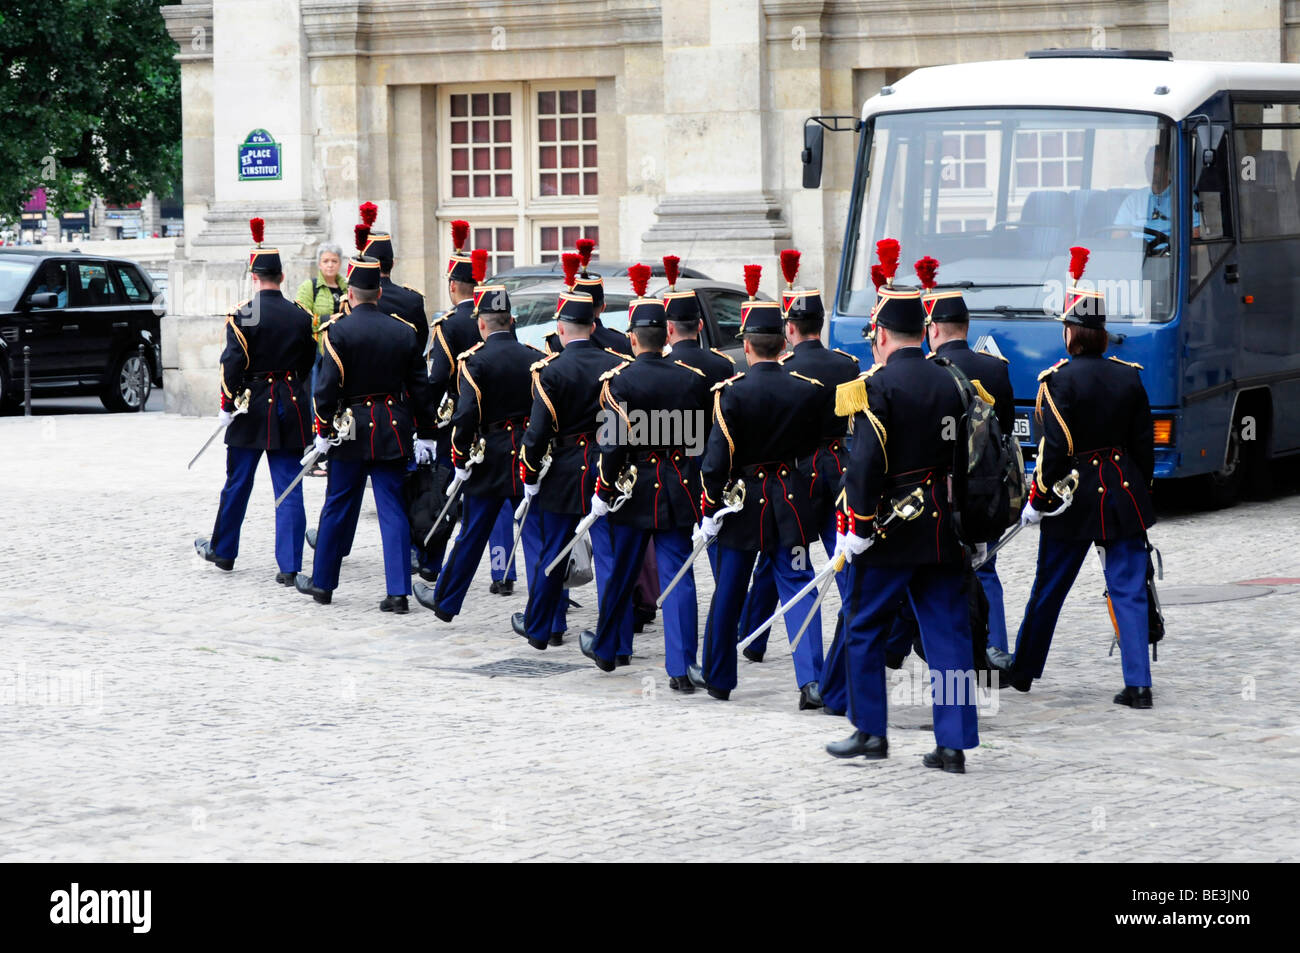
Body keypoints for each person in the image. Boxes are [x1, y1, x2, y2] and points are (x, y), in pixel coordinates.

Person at [827, 247, 980, 772]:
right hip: (944, 527)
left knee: (864, 627)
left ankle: (871, 731)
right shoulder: (956, 382)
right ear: (923, 330)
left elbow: (864, 462)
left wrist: (861, 527)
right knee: (948, 635)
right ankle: (953, 742)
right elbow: (968, 455)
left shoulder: (875, 388)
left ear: (883, 335)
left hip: (890, 533)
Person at [992, 247, 1157, 708]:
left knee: (1050, 587)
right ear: (1101, 334)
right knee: (1129, 589)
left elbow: (1055, 451)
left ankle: (1024, 672)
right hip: (1122, 488)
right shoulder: (1129, 377)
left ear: (1070, 333)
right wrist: (1139, 490)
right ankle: (1139, 684)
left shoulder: (1056, 381)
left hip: (1076, 495)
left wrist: (1040, 498)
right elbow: (1143, 447)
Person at [695, 265, 827, 707]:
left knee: (729, 590)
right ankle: (811, 680)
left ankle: (718, 676)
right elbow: (813, 447)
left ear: (746, 346)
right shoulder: (806, 390)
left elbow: (716, 462)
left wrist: (711, 508)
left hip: (743, 501)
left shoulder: (730, 393)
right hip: (788, 497)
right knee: (798, 585)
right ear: (784, 342)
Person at [737, 252, 860, 716]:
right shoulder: (847, 365)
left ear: (790, 328)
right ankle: (757, 634)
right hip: (839, 471)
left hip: (797, 478)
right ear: (820, 324)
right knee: (838, 563)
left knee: (789, 563)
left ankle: (809, 672)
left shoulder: (785, 369)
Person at [576, 269, 710, 686]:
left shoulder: (620, 382)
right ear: (666, 337)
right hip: (677, 488)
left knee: (620, 573)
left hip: (632, 490)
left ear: (632, 338)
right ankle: (681, 666)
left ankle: (609, 648)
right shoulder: (692, 380)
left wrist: (603, 491)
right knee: (678, 576)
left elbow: (612, 446)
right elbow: (697, 439)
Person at [294, 255, 438, 611]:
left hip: (351, 428)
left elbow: (325, 388)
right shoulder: (403, 332)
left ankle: (323, 584)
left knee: (337, 505)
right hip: (392, 425)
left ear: (352, 294)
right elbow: (420, 388)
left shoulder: (337, 331)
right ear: (377, 293)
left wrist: (323, 429)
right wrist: (427, 432)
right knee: (392, 509)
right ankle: (398, 591)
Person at [413, 283, 543, 621]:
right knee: (534, 534)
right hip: (525, 454)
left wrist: (459, 459)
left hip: (488, 454)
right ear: (511, 320)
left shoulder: (474, 362)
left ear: (481, 324)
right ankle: (550, 615)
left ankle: (446, 600)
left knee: (472, 533)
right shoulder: (535, 359)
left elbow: (465, 415)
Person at [195, 218, 316, 583]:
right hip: (289, 404)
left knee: (238, 482)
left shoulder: (244, 315)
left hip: (251, 406)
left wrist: (227, 404)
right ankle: (290, 565)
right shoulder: (300, 315)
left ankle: (225, 551)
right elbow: (308, 362)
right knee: (288, 486)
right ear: (281, 276)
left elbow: (231, 365)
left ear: (253, 276)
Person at [513, 289, 625, 650]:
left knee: (554, 550)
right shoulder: (616, 366)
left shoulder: (550, 371)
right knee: (609, 555)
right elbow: (620, 428)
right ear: (593, 326)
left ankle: (541, 627)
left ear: (560, 330)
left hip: (563, 469)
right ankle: (616, 642)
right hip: (607, 464)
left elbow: (536, 433)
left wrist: (529, 475)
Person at [919, 256, 1016, 660]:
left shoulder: (930, 370)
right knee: (986, 564)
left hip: (942, 487)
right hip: (985, 486)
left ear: (935, 329)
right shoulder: (995, 368)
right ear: (966, 327)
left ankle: (952, 646)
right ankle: (996, 647)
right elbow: (1006, 429)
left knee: (940, 571)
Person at [424, 221, 484, 578]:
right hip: (492, 417)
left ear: (452, 285)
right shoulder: (490, 316)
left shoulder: (448, 324)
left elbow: (437, 376)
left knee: (447, 491)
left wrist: (427, 419)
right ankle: (501, 572)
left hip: (457, 416)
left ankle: (433, 563)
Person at [1112, 140, 1199, 243]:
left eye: (1156, 164)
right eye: (1147, 164)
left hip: (1171, 256)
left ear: (1168, 167)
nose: (1150, 169)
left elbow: (1195, 237)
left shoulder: (1186, 198)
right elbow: (1116, 237)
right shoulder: (1133, 200)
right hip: (1138, 255)